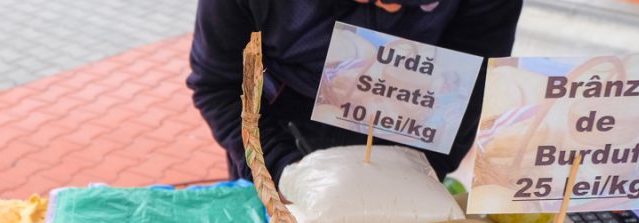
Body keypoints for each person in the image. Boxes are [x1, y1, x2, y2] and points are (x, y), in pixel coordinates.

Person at [187, 0, 524, 184]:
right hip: (281, 129)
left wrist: (425, 170)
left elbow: (470, 84)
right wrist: (280, 172)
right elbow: (219, 86)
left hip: (408, 125)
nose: (390, 9)